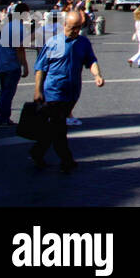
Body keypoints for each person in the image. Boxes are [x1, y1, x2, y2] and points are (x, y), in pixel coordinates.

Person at [31, 10, 104, 172]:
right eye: (72, 28)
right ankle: (67, 160)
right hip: (54, 91)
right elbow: (40, 68)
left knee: (54, 126)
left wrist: (97, 75)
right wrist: (38, 91)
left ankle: (37, 152)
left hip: (72, 92)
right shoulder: (53, 43)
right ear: (64, 25)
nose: (75, 31)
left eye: (78, 27)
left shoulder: (83, 43)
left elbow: (91, 60)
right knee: (59, 126)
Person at [0, 2, 31, 127]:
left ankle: (3, 117)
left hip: (1, 61)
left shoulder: (7, 25)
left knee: (4, 91)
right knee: (8, 92)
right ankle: (1, 119)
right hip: (11, 63)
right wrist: (25, 66)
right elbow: (19, 49)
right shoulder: (20, 28)